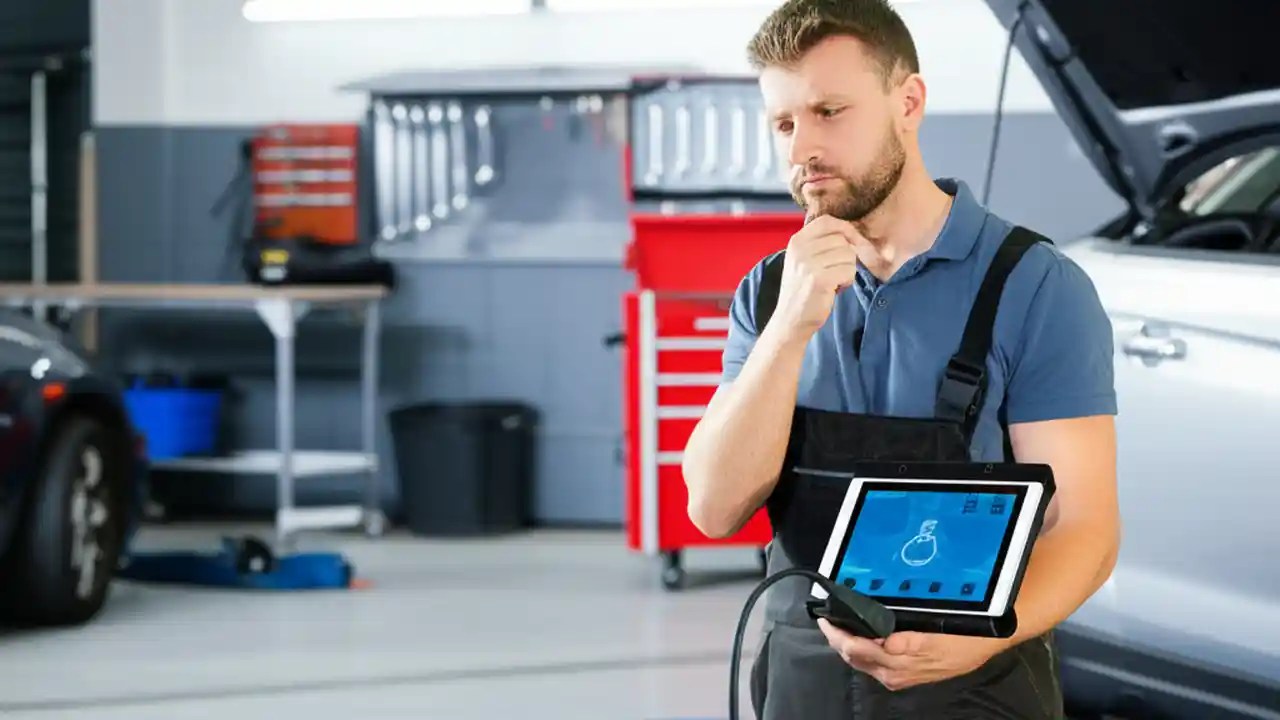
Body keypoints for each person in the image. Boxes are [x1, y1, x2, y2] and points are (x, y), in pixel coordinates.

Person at [680, 0, 1120, 717]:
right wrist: (788, 332)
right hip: (803, 682)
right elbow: (714, 507)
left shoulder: (1036, 286)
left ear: (907, 102)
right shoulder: (768, 293)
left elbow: (1087, 528)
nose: (801, 151)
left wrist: (986, 636)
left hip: (975, 682)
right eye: (784, 124)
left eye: (830, 111)